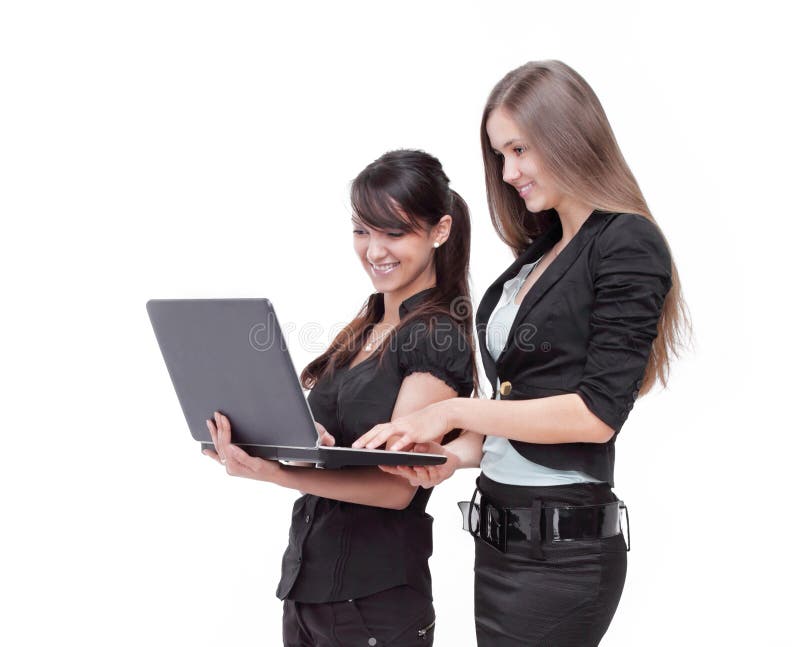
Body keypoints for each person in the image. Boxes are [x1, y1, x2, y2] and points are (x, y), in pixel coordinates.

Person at [354, 61, 690, 646]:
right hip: (500, 541)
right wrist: (450, 455)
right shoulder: (542, 249)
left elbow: (595, 415)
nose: (507, 173)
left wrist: (451, 410)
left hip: (562, 556)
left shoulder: (626, 242)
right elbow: (517, 404)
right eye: (499, 155)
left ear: (569, 137)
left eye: (519, 150)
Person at [204, 149, 476, 646]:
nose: (374, 250)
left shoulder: (435, 336)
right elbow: (343, 449)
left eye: (394, 232)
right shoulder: (366, 328)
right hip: (309, 588)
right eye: (362, 230)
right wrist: (296, 443)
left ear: (439, 231)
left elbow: (397, 489)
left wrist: (277, 473)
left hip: (373, 603)